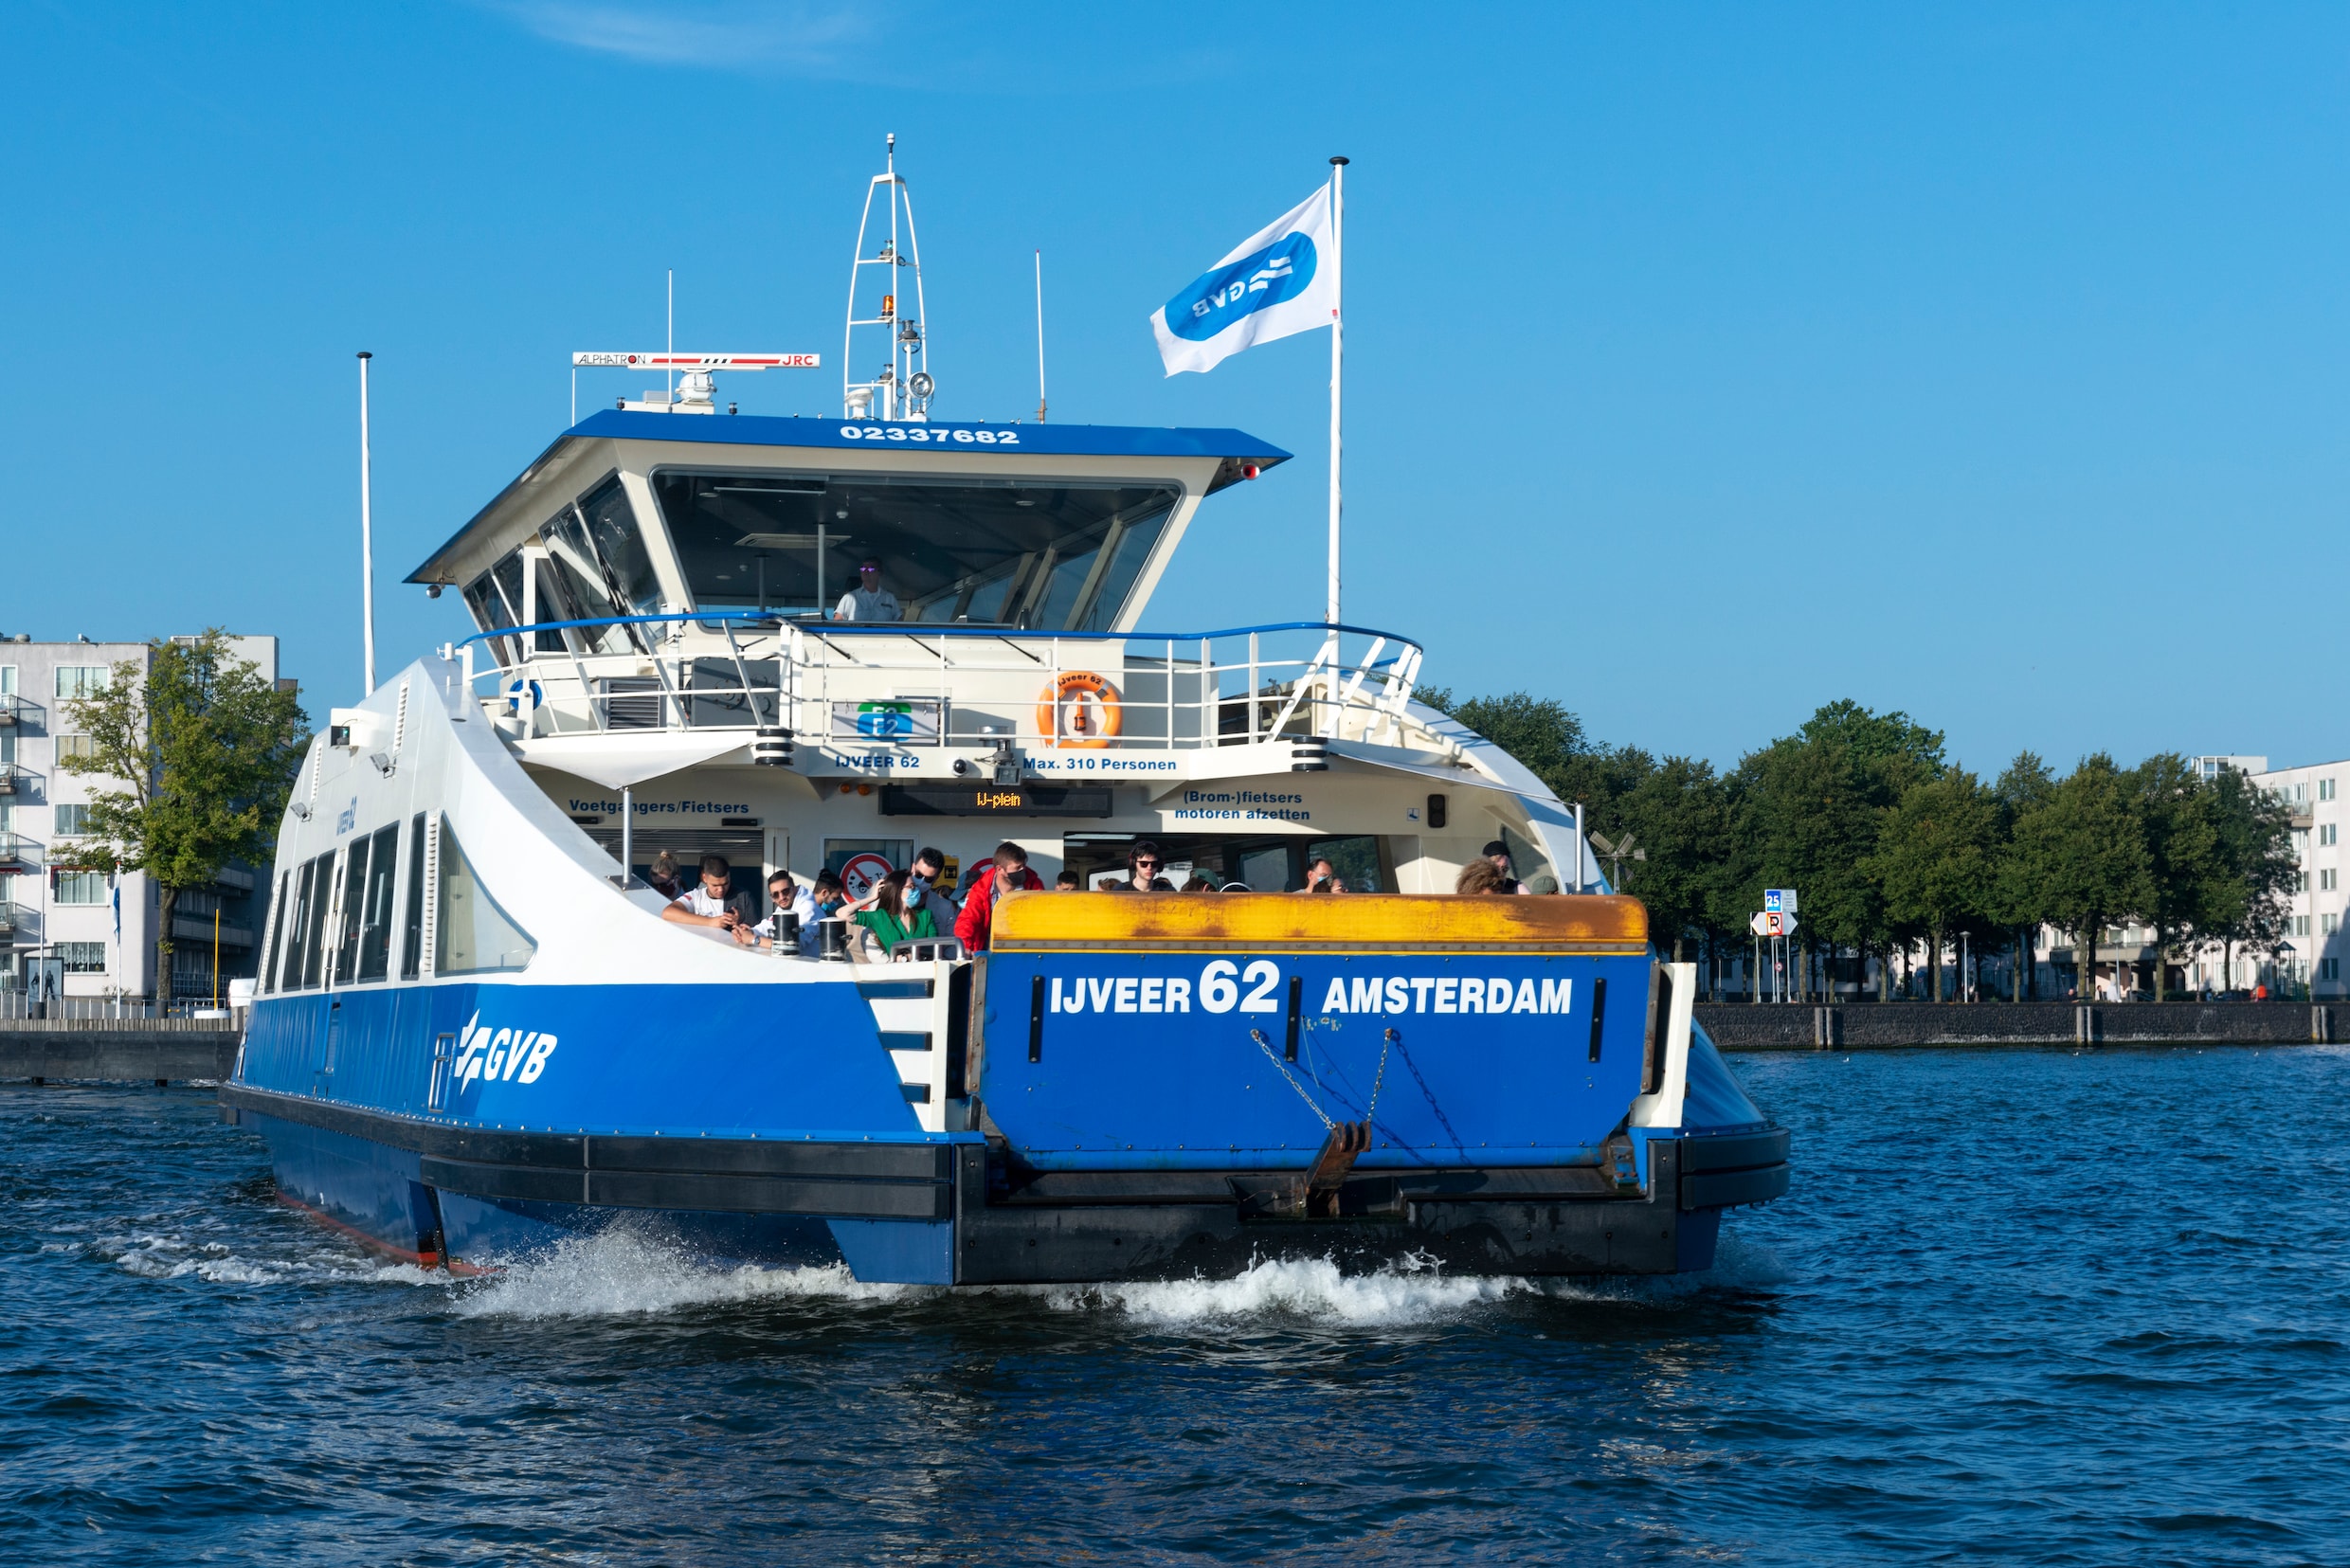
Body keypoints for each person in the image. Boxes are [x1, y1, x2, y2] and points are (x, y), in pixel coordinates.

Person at [955, 842, 1045, 951]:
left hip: (1024, 951)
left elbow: (1042, 918)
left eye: (1023, 866)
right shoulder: (981, 888)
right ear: (999, 869)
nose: (1022, 871)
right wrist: (966, 946)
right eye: (1017, 868)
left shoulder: (1034, 885)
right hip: (990, 952)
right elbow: (968, 919)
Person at [662, 854, 758, 943]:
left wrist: (738, 925)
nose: (720, 889)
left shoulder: (743, 897)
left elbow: (756, 933)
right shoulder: (696, 896)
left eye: (725, 883)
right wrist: (711, 922)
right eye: (715, 885)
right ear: (704, 878)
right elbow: (668, 913)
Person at [850, 869, 938, 960]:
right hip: (892, 970)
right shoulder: (880, 916)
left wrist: (913, 956)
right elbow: (843, 914)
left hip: (922, 970)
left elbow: (933, 947)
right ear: (898, 890)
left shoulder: (925, 915)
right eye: (911, 887)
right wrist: (873, 898)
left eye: (915, 886)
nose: (916, 890)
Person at [750, 869, 821, 956]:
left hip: (814, 966)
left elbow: (793, 945)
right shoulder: (784, 906)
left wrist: (754, 939)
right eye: (775, 894)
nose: (781, 897)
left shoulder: (809, 908)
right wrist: (750, 931)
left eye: (785, 891)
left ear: (794, 888)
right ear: (771, 898)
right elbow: (769, 925)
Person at [906, 846, 962, 929]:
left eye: (928, 879)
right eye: (918, 875)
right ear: (913, 867)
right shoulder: (894, 899)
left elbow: (951, 938)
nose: (921, 881)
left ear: (936, 878)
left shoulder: (945, 908)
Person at [834, 559, 902, 622]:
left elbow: (899, 624)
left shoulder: (889, 598)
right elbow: (837, 623)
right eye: (863, 569)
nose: (866, 572)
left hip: (883, 635)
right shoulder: (850, 597)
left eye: (870, 569)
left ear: (879, 572)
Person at [1103, 840, 1176, 893]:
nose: (1149, 867)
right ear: (1133, 863)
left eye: (1154, 864)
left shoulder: (1167, 890)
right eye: (1143, 864)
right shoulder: (1121, 890)